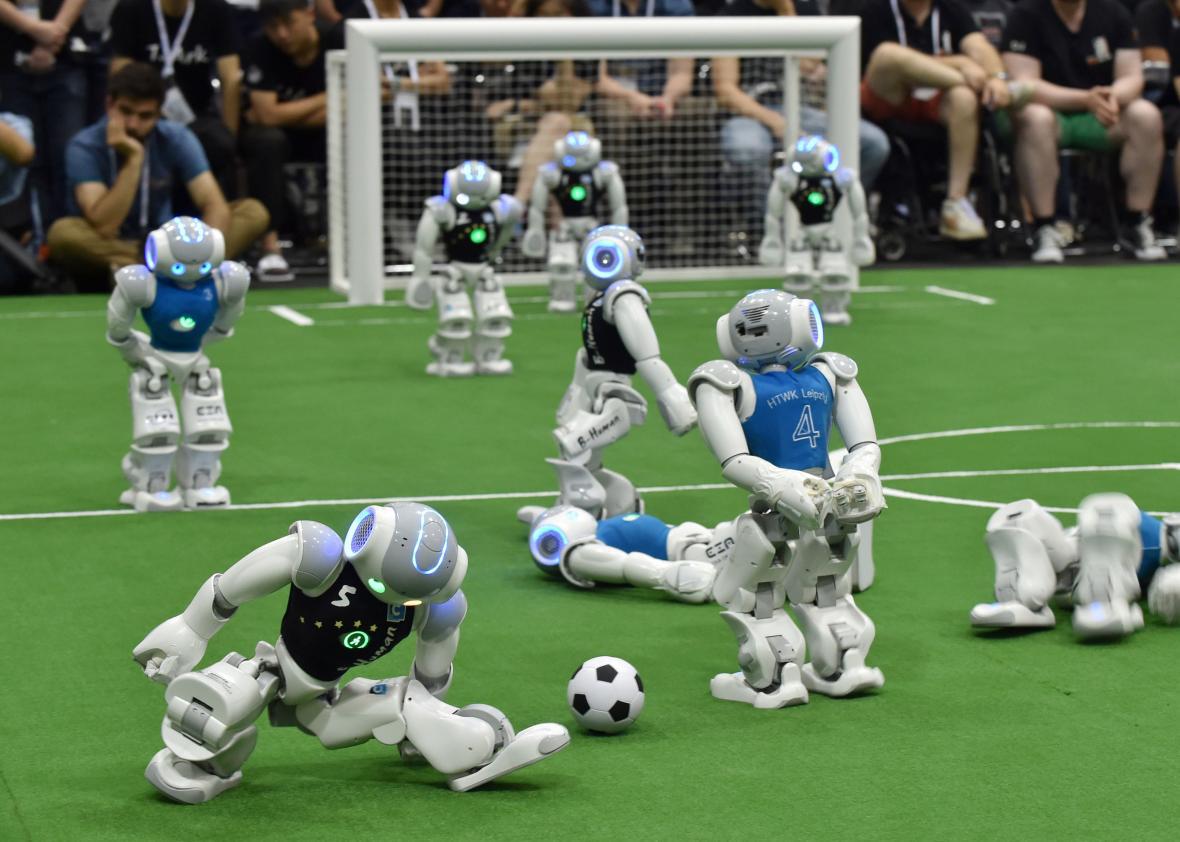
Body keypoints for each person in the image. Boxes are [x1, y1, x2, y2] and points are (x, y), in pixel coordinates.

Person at [131, 503, 570, 802]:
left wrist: (427, 711)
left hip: (324, 702)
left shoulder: (432, 609)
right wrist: (191, 627)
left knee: (402, 700)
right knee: (229, 694)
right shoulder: (321, 560)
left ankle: (458, 742)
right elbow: (236, 585)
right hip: (277, 668)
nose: (398, 603)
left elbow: (432, 667)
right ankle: (204, 762)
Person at [46, 63, 268, 290]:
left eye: (145, 116)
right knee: (63, 234)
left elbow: (214, 204)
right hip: (111, 242)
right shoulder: (85, 146)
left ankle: (165, 268)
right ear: (109, 105)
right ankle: (172, 272)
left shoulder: (176, 137)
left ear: (159, 113)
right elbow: (105, 225)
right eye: (126, 112)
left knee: (253, 212)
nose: (133, 124)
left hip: (166, 241)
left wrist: (198, 251)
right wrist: (134, 159)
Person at [712, 0, 891, 245]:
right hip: (749, 113)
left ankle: (834, 223)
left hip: (801, 109)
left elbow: (809, 64)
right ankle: (776, 234)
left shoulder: (804, 10)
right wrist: (777, 122)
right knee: (747, 150)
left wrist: (785, 11)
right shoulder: (731, 16)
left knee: (873, 143)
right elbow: (726, 91)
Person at [1002, 0, 1166, 262]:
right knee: (1036, 118)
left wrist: (1112, 95)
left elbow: (1132, 75)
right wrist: (1083, 98)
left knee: (1145, 115)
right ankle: (1045, 226)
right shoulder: (1026, 14)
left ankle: (1137, 223)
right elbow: (1024, 83)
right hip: (1049, 111)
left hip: (1099, 113)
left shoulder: (1114, 12)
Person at [859, 0, 1011, 240]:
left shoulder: (950, 8)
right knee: (888, 55)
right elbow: (885, 61)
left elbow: (978, 46)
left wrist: (997, 78)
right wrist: (961, 64)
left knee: (963, 98)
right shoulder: (874, 9)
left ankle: (956, 202)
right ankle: (966, 82)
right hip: (887, 96)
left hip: (935, 96)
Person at [970, 493, 1180, 640]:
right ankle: (1024, 595)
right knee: (1101, 534)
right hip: (1127, 551)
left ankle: (1024, 592)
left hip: (1129, 559)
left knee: (1097, 530)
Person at [241, 0, 343, 280]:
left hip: (325, 133)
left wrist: (284, 113)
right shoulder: (261, 48)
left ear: (310, 14)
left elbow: (364, 97)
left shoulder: (338, 38)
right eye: (274, 27)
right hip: (279, 138)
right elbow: (267, 115)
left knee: (348, 134)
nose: (282, 35)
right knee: (265, 141)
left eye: (289, 23)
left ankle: (346, 239)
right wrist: (329, 98)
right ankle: (270, 247)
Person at [109, 0, 244, 204]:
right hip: (143, 113)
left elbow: (231, 77)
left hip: (197, 114)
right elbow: (119, 73)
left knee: (220, 145)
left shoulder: (216, 9)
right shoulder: (131, 8)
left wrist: (230, 135)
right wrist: (122, 120)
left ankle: (208, 216)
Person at [0, 0, 88, 226]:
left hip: (66, 54)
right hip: (11, 59)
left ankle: (66, 237)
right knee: (30, 167)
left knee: (69, 154)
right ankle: (36, 236)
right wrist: (36, 29)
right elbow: (24, 154)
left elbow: (23, 151)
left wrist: (52, 36)